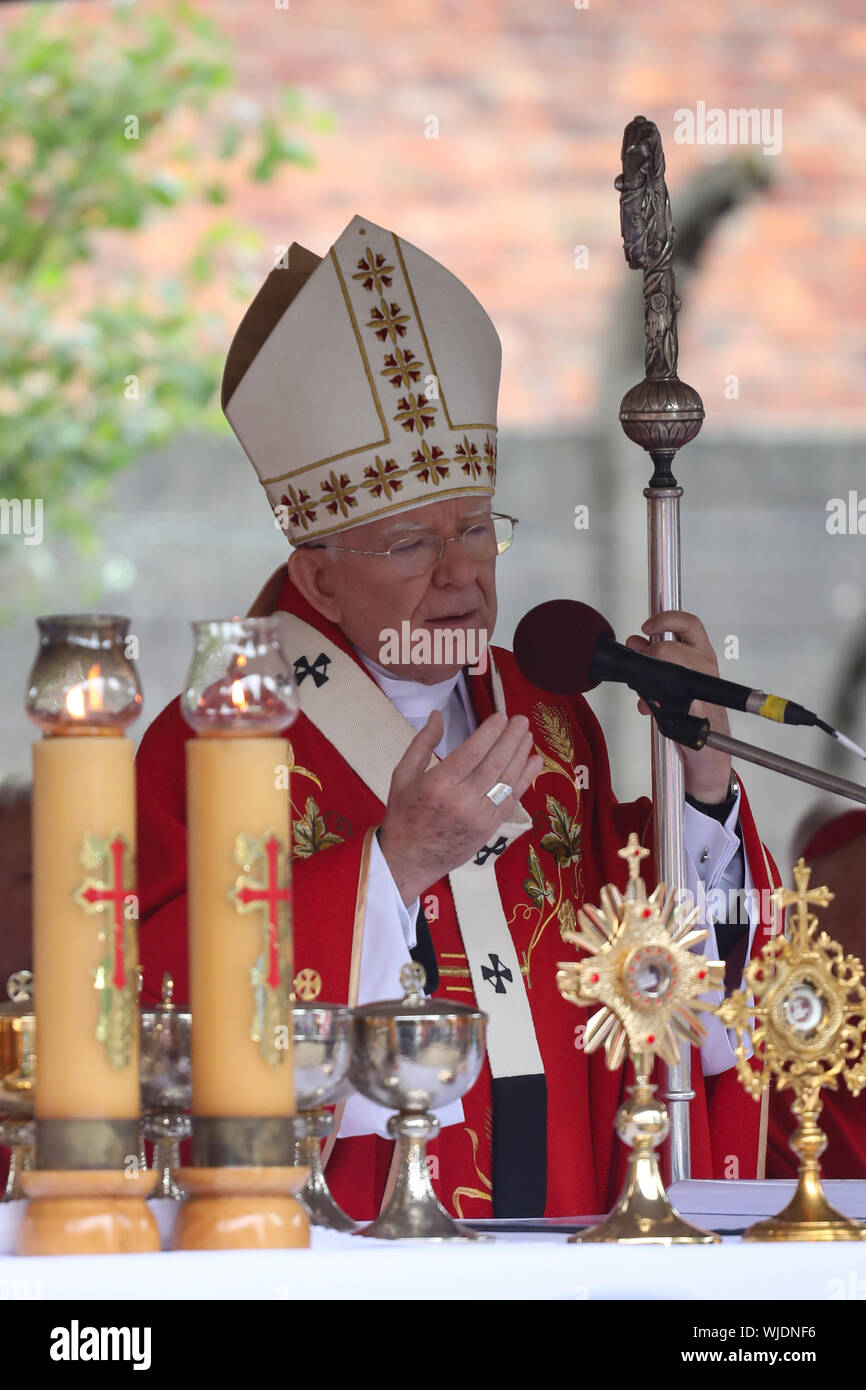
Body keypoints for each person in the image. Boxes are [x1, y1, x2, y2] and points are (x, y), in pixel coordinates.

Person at [136, 213, 781, 1220]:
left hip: (573, 1213)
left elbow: (655, 972)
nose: (461, 577)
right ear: (319, 577)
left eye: (478, 531)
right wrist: (389, 864)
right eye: (409, 547)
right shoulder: (220, 737)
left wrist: (699, 787)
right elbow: (159, 1004)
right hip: (346, 1236)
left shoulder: (548, 709)